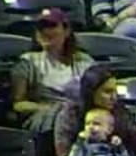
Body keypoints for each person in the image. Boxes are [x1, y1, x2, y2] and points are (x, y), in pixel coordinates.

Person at [9, 8, 94, 136]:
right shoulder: (28, 61)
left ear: (66, 31)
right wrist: (50, 109)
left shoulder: (85, 61)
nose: (45, 31)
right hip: (45, 117)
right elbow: (18, 104)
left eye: (52, 26)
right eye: (41, 27)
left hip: (82, 114)